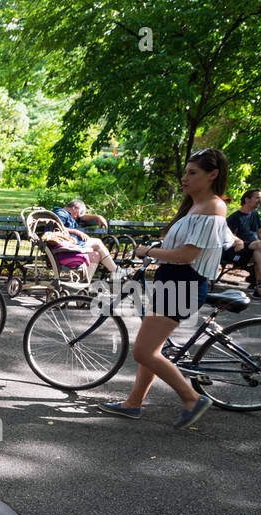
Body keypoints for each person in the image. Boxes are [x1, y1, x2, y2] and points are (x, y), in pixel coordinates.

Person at [99, 148, 232, 429]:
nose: (184, 178)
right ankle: (133, 404)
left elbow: (187, 255)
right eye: (185, 172)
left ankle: (191, 398)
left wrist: (148, 251)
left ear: (213, 175)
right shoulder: (196, 206)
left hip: (184, 285)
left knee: (143, 352)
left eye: (192, 173)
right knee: (152, 349)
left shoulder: (213, 207)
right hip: (173, 283)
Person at [47, 198, 118, 275]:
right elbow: (56, 228)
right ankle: (116, 271)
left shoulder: (70, 214)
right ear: (74, 207)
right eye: (78, 214)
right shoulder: (61, 213)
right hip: (63, 246)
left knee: (95, 255)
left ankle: (86, 284)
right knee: (97, 242)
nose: (77, 217)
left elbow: (83, 217)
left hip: (70, 246)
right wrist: (76, 231)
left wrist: (98, 217)